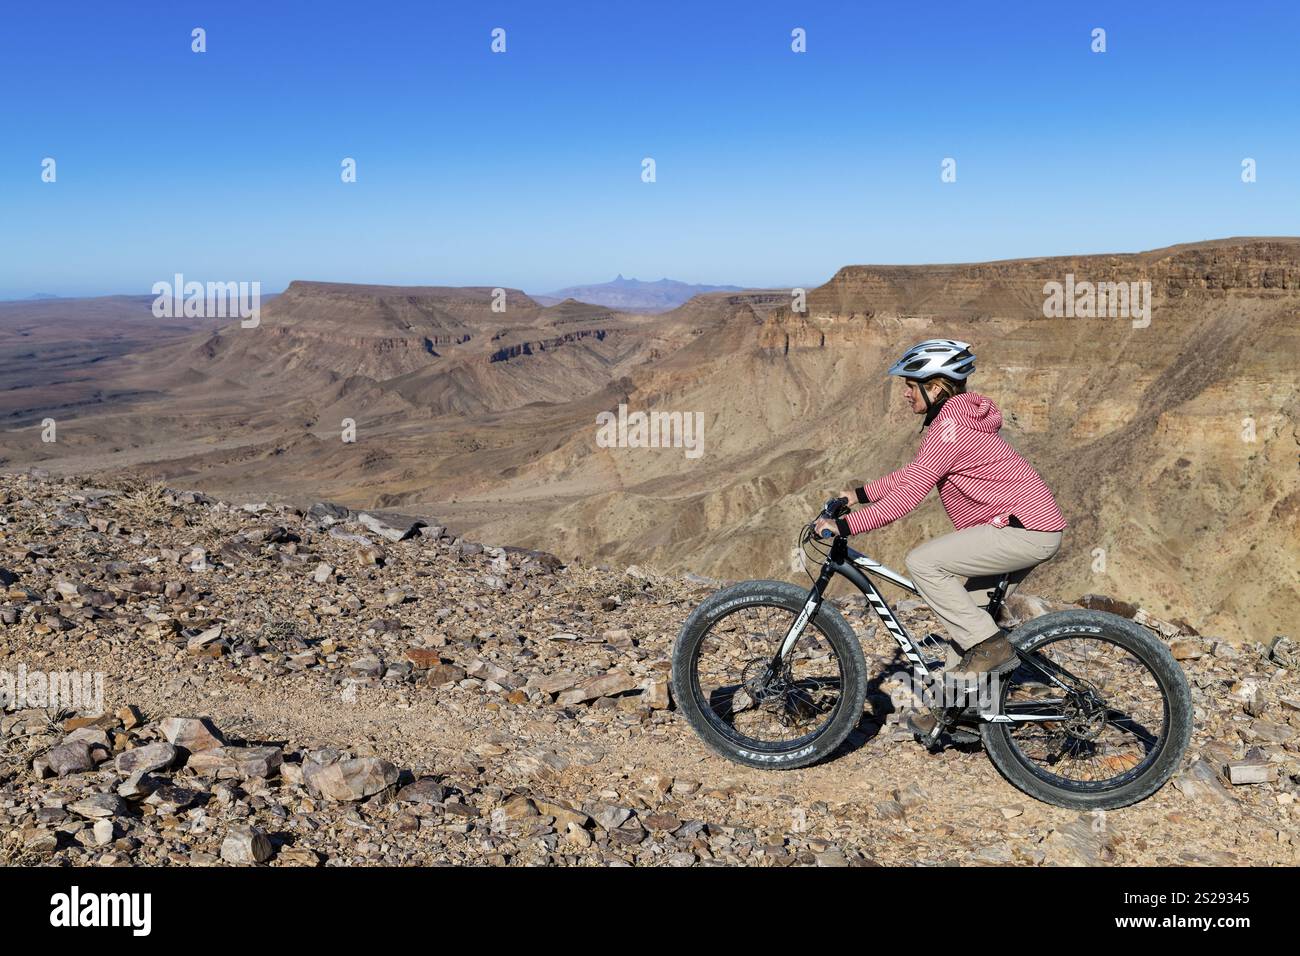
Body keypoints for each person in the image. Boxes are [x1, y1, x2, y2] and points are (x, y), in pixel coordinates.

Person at [812, 338, 1066, 737]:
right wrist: (857, 496)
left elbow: (909, 496)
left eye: (911, 385)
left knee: (924, 563)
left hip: (1024, 531)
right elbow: (914, 474)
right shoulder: (953, 421)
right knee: (968, 626)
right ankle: (954, 713)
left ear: (936, 386)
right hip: (1026, 528)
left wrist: (844, 527)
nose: (905, 393)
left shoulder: (949, 429)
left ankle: (993, 649)